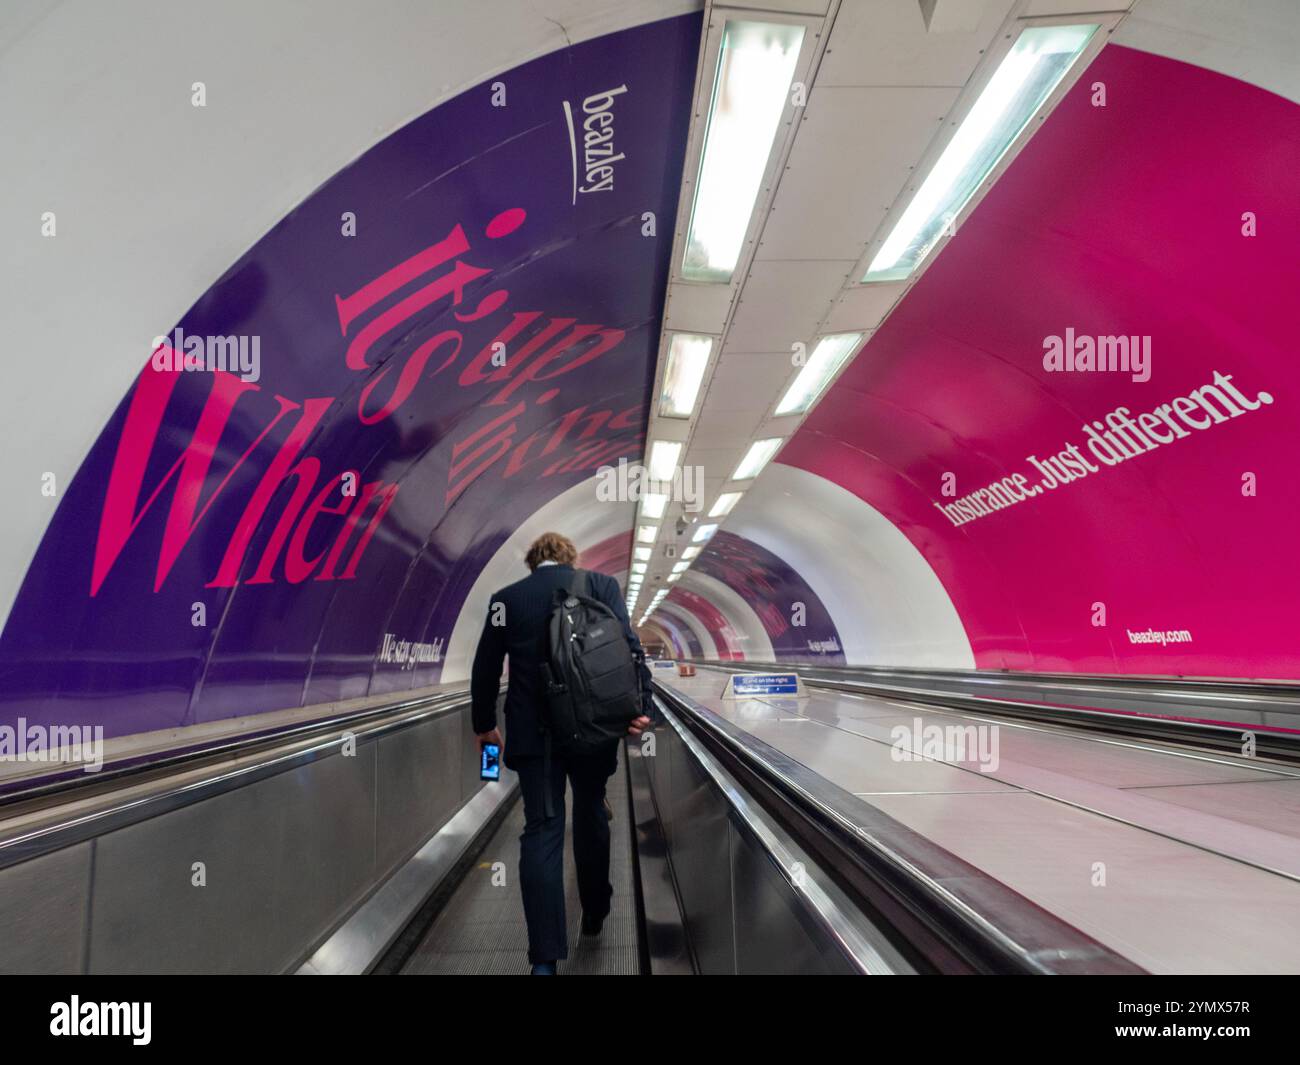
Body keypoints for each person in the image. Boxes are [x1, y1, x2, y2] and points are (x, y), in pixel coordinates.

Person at [470, 531, 653, 975]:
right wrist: (639, 709)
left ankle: (544, 961)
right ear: (571, 558)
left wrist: (484, 726)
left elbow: (486, 668)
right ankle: (594, 911)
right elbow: (629, 650)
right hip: (594, 729)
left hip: (535, 739)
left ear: (533, 563)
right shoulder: (601, 587)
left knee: (543, 829)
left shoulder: (505, 600)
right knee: (590, 810)